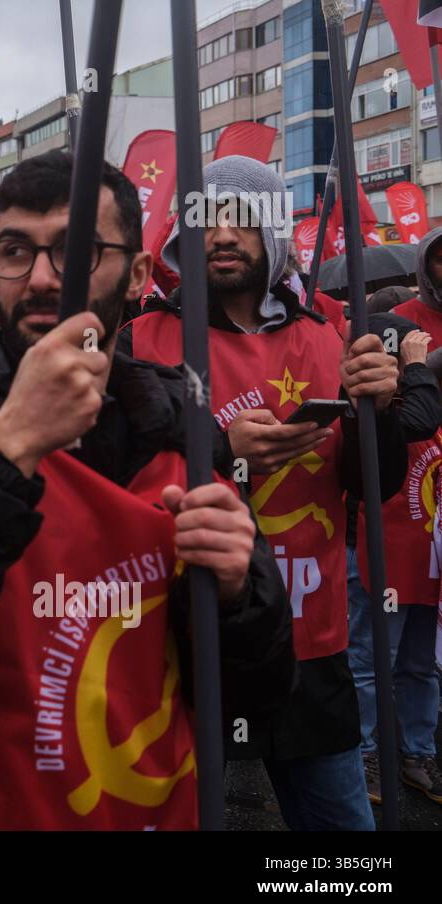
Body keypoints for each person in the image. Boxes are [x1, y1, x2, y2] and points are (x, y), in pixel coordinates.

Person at [0, 150, 295, 829]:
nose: (44, 278)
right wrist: (3, 450)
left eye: (77, 250)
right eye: (16, 250)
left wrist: (234, 595)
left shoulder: (181, 431)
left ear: (137, 274)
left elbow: (256, 696)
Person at [123, 155, 407, 831]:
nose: (222, 233)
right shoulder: (142, 338)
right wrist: (221, 451)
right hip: (184, 641)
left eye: (243, 219)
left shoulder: (329, 335)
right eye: (207, 218)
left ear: (275, 235)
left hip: (312, 641)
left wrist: (383, 410)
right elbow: (112, 477)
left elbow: (374, 483)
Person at [346, 316, 442, 803]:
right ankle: (363, 753)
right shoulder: (372, 406)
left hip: (429, 560)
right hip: (381, 555)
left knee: (421, 664)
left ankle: (416, 753)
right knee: (370, 659)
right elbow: (419, 419)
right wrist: (417, 369)